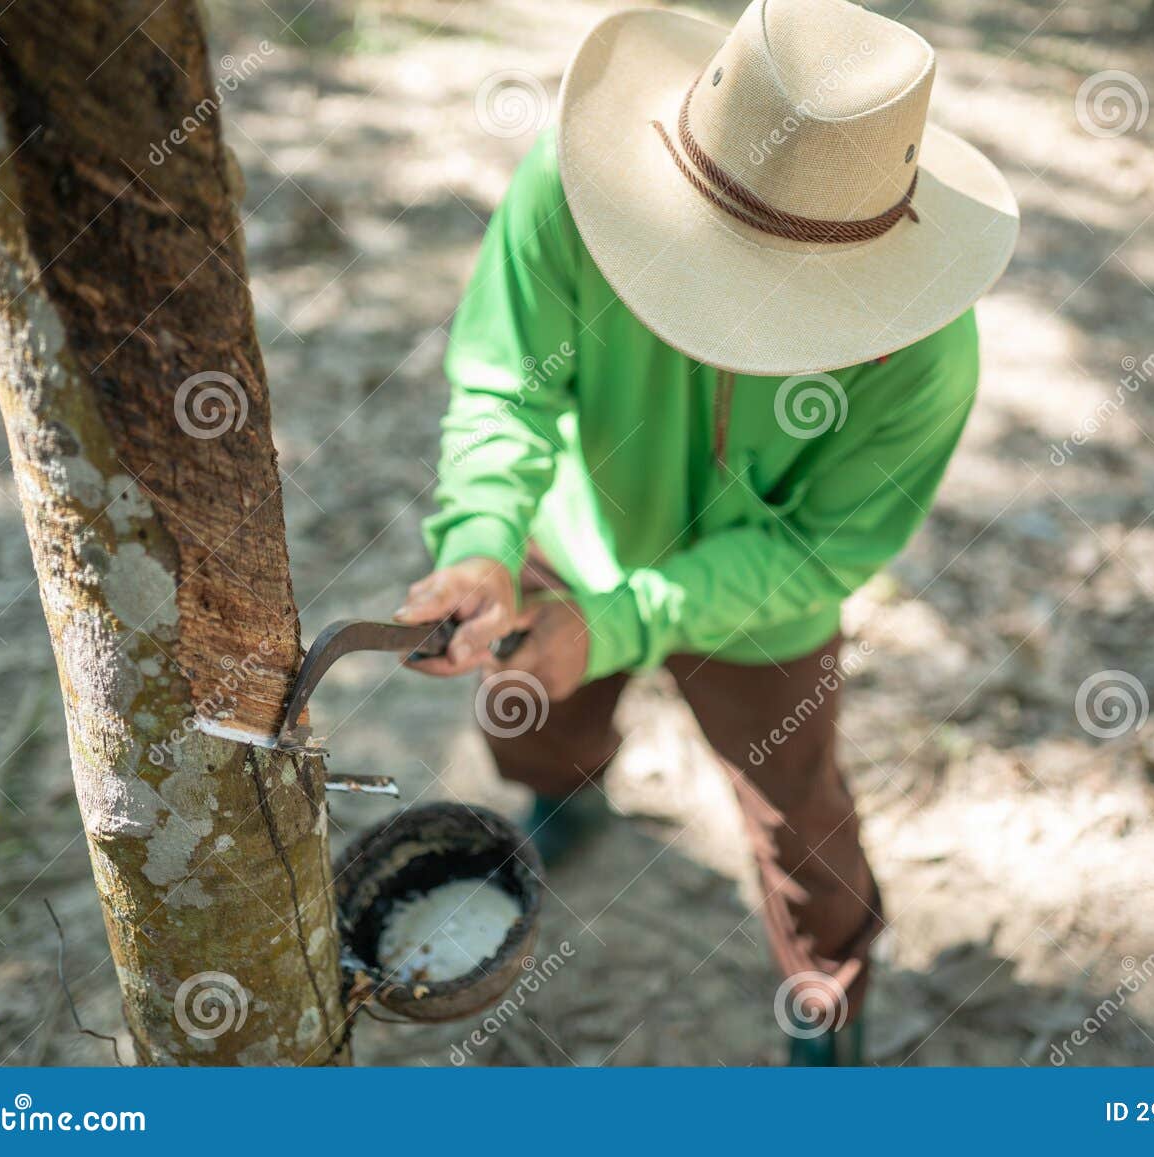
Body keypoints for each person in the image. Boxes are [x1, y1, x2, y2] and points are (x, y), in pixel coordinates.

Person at [399, 0, 1017, 1065]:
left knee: (801, 821)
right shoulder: (570, 191)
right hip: (572, 532)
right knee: (532, 713)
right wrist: (482, 534)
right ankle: (565, 790)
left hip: (760, 599)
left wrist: (624, 621)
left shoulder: (922, 356)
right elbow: (505, 386)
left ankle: (828, 992)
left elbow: (820, 549)